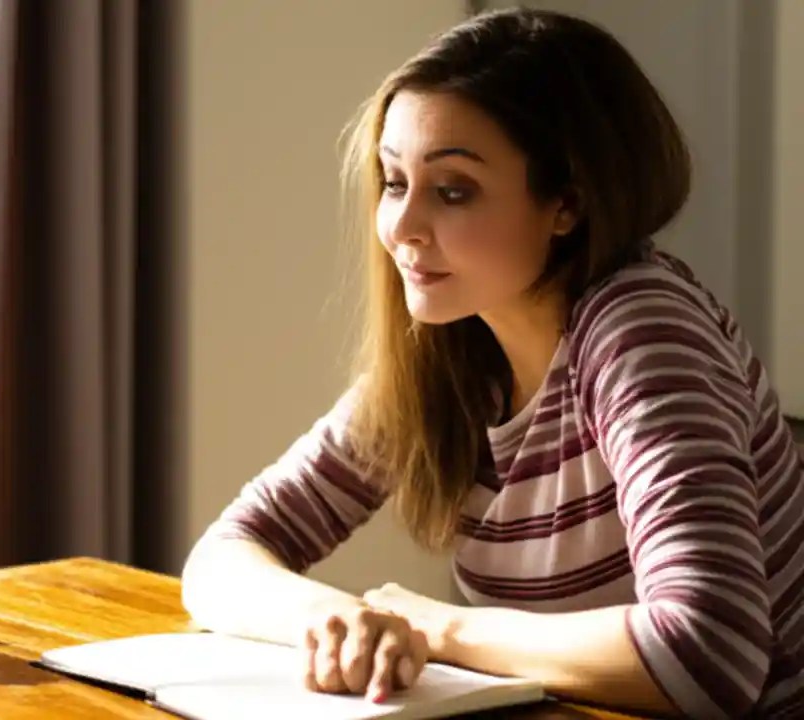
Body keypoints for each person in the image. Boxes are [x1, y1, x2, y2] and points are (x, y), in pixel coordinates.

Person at [179, 7, 804, 719]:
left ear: (565, 204)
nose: (403, 228)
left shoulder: (643, 329)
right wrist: (334, 619)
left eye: (452, 191)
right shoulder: (458, 348)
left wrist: (437, 629)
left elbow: (711, 653)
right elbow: (224, 557)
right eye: (392, 182)